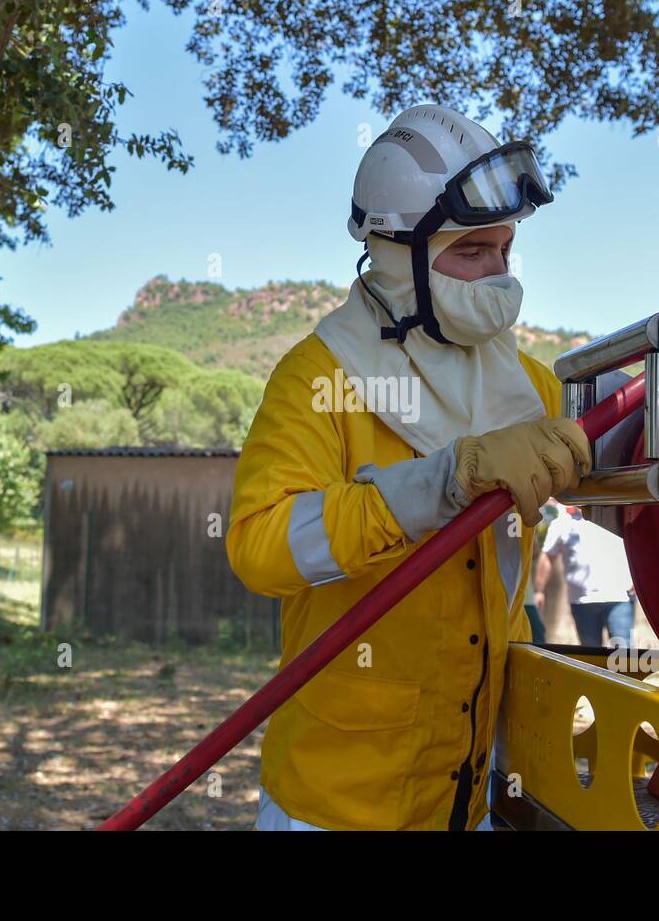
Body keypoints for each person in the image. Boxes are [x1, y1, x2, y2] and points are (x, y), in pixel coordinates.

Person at [226, 104, 592, 830]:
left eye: (505, 252)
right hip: (337, 803)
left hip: (467, 793)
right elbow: (261, 546)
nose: (497, 276)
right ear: (400, 253)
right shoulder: (319, 376)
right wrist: (440, 482)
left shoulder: (534, 389)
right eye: (472, 251)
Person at [535, 502, 634, 648]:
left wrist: (639, 580)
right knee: (590, 655)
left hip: (619, 598)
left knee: (624, 654)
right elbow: (548, 557)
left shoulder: (616, 510)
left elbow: (634, 545)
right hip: (582, 602)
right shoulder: (561, 522)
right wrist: (539, 591)